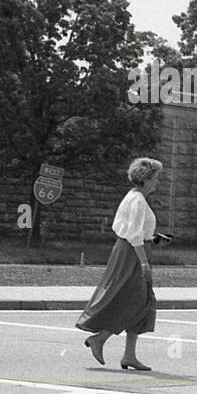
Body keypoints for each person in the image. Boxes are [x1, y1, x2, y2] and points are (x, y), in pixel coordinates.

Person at [77, 157, 163, 371]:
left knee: (141, 301)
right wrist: (144, 263)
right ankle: (100, 339)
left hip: (135, 249)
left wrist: (153, 238)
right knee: (134, 300)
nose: (157, 182)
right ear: (145, 179)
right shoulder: (137, 200)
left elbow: (136, 231)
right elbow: (133, 235)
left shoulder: (136, 198)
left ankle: (129, 355)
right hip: (132, 254)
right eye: (155, 177)